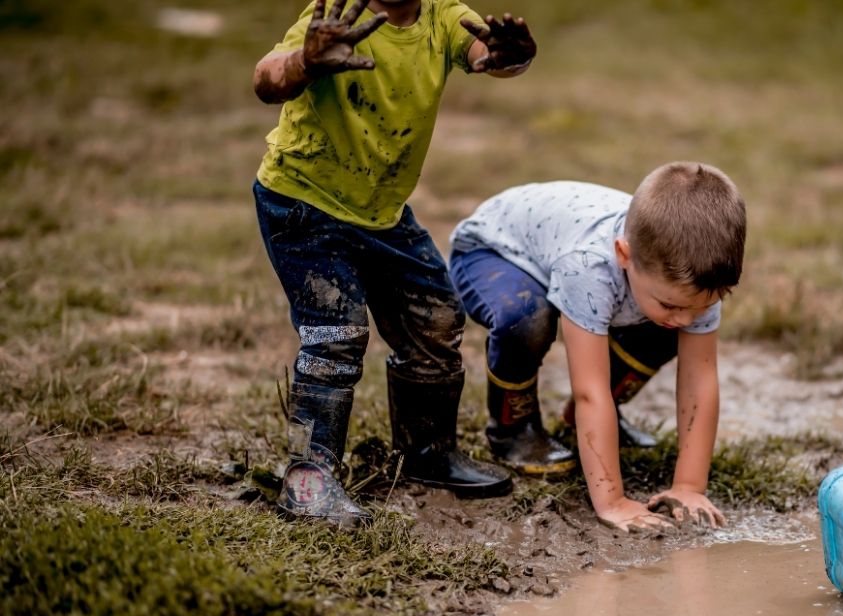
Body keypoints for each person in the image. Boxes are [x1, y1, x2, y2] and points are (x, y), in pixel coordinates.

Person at [251, 0, 537, 528]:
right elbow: (267, 79)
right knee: (335, 334)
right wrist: (307, 62)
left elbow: (484, 53)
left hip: (381, 214)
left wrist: (511, 59)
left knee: (437, 316)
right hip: (302, 202)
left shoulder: (441, 17)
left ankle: (426, 452)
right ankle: (306, 482)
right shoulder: (337, 13)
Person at [449, 162, 746, 531]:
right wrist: (613, 502)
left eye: (700, 306)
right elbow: (589, 389)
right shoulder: (589, 267)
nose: (687, 318)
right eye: (671, 304)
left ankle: (584, 422)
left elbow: (700, 381)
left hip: (577, 259)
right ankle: (514, 428)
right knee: (526, 317)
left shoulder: (695, 276)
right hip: (493, 253)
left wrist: (688, 486)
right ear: (625, 255)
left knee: (665, 327)